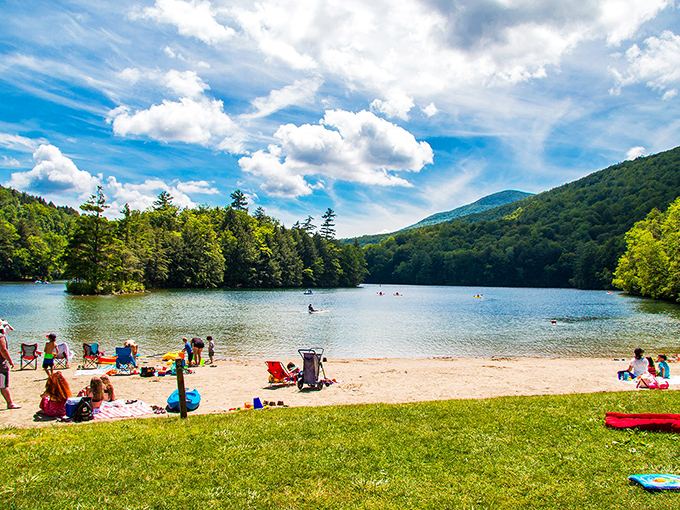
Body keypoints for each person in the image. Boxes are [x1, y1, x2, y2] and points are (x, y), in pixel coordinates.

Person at [0, 328, 20, 409]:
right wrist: (10, 360)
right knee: (3, 386)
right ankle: (10, 403)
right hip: (0, 366)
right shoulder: (0, 337)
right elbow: (3, 350)